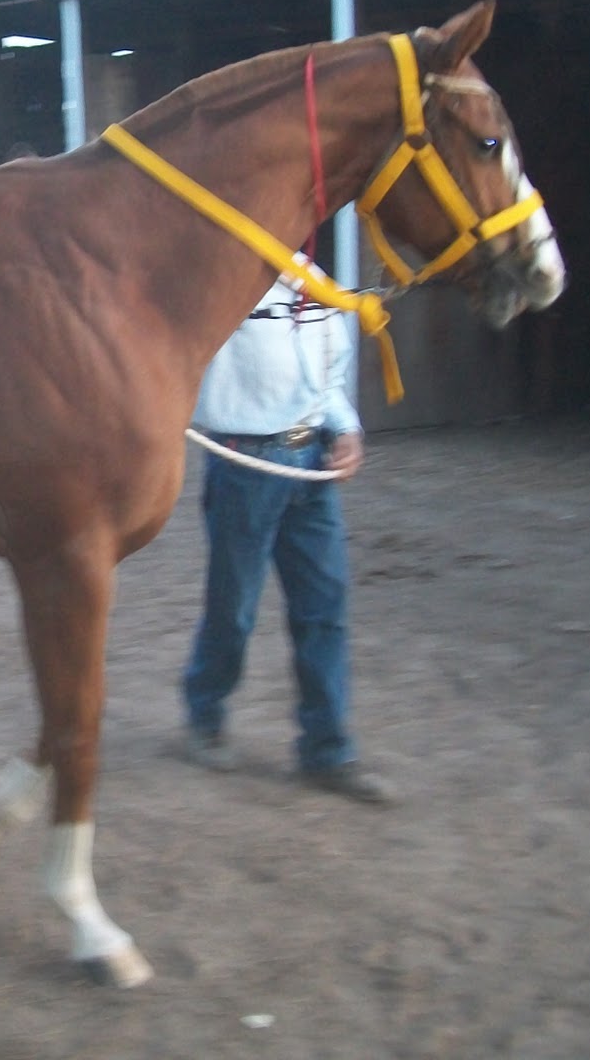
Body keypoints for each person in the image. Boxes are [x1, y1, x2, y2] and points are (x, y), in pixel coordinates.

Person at [181, 278, 394, 805]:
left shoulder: (314, 284)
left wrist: (345, 429)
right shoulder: (224, 280)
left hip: (312, 460)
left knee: (324, 607)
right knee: (234, 608)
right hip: (244, 464)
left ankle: (328, 751)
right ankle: (204, 714)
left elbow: (329, 373)